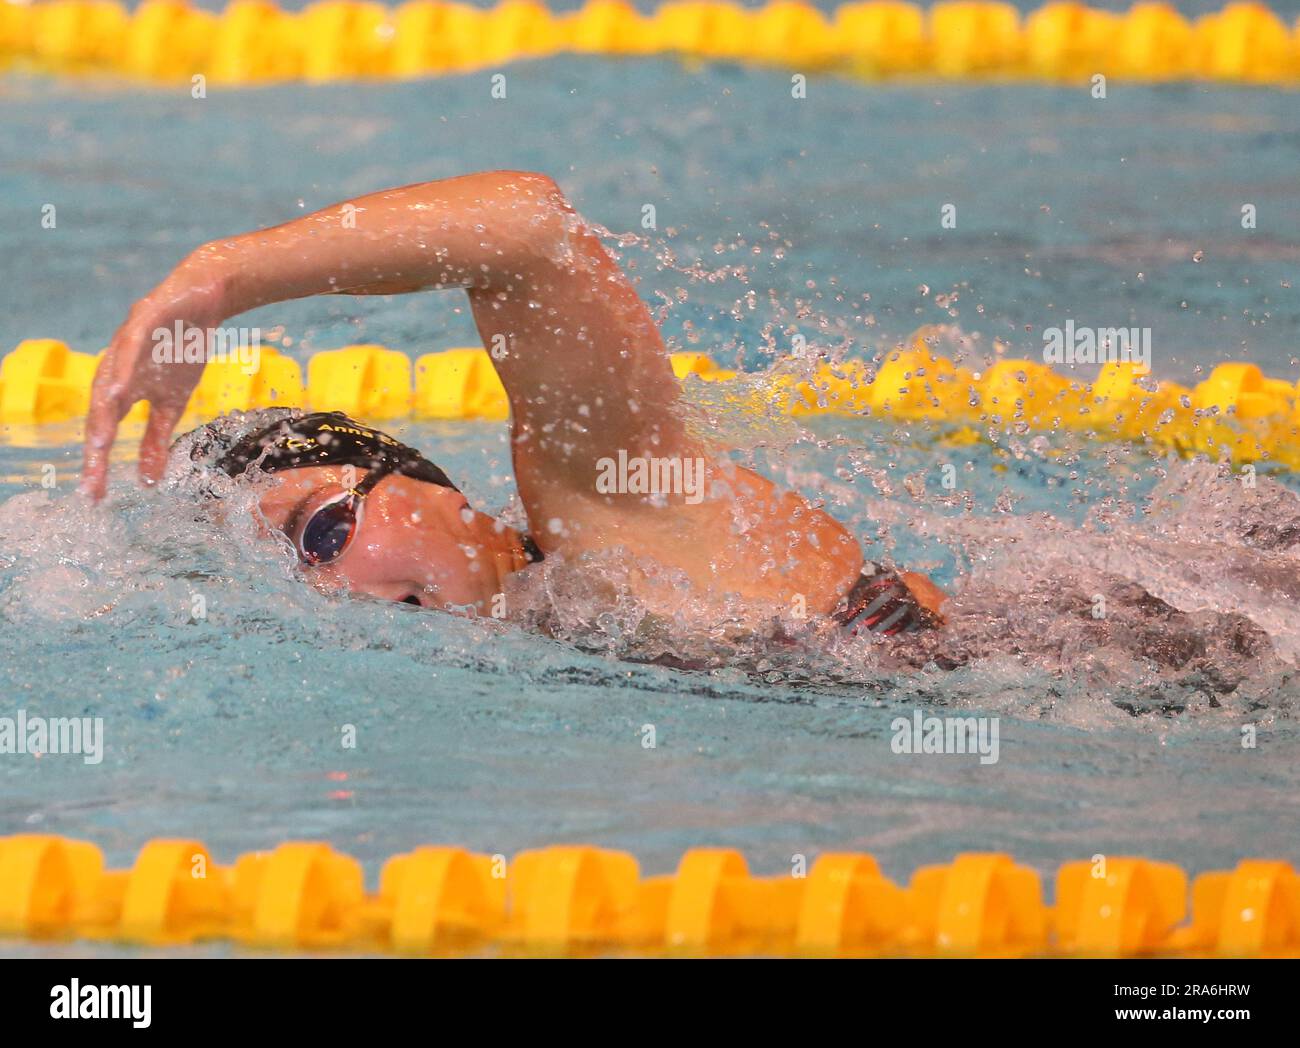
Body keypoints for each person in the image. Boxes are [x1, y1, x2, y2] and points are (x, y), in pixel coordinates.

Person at [80, 170, 946, 634]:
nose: (335, 591)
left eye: (321, 532)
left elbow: (528, 231)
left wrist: (220, 277)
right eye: (290, 583)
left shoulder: (612, 522)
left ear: (423, 483)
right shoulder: (543, 639)